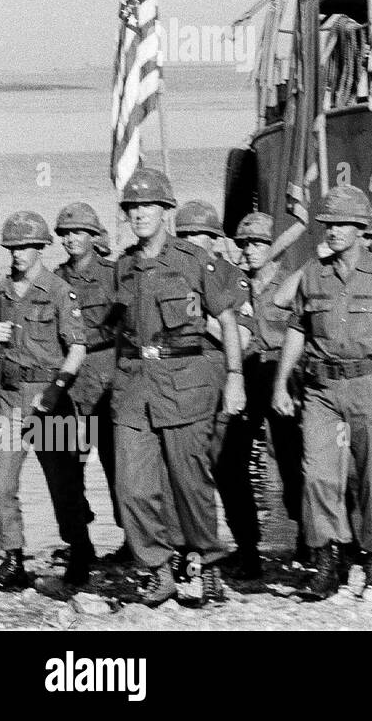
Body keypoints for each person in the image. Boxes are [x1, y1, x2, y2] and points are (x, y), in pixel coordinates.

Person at [271, 185, 372, 597]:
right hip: (322, 389)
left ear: (360, 229)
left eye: (341, 225)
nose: (332, 232)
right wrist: (281, 382)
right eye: (328, 225)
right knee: (316, 473)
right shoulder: (314, 273)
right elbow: (297, 329)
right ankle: (327, 560)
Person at [110, 168, 246, 607]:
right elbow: (118, 332)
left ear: (166, 211)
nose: (139, 214)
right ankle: (159, 568)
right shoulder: (124, 266)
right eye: (132, 208)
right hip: (134, 386)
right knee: (132, 487)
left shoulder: (193, 261)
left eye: (148, 206)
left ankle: (208, 563)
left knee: (191, 485)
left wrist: (236, 377)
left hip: (186, 382)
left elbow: (226, 320)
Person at [0, 212, 91, 593]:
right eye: (13, 248)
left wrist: (57, 389)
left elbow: (78, 346)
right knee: (0, 486)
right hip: (8, 401)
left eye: (25, 247)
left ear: (40, 248)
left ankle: (80, 549)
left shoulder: (57, 290)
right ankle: (14, 557)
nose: (18, 254)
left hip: (49, 400)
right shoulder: (0, 291)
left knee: (62, 485)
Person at [174, 201, 255, 579]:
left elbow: (239, 334)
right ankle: (190, 550)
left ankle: (248, 548)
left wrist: (201, 318)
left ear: (215, 240)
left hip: (220, 381)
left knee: (228, 470)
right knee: (182, 471)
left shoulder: (231, 276)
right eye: (185, 236)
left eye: (199, 237)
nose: (191, 243)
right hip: (177, 385)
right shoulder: (168, 273)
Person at [233, 212, 305, 569]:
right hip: (246, 377)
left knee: (293, 463)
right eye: (244, 244)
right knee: (233, 462)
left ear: (273, 246)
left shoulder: (289, 284)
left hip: (282, 376)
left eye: (258, 243)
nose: (250, 250)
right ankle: (247, 547)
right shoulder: (234, 286)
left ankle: (308, 538)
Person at [53, 202, 123, 561]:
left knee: (117, 465)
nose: (71, 239)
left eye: (78, 231)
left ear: (94, 236)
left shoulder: (113, 275)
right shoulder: (55, 279)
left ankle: (131, 540)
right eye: (65, 233)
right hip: (68, 382)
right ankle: (79, 541)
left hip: (107, 378)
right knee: (65, 465)